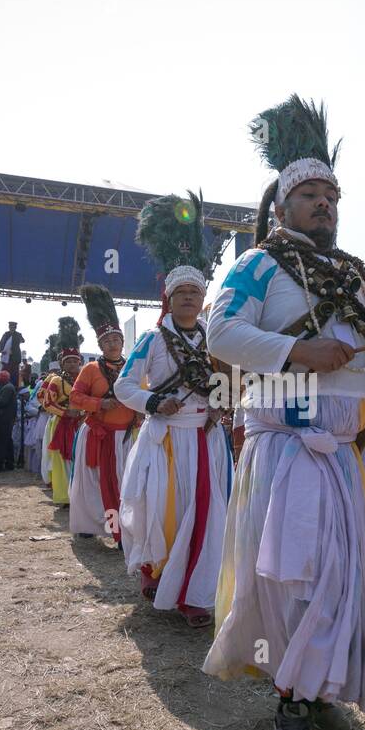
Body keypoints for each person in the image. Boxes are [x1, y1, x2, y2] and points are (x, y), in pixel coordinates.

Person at [201, 94, 365, 730]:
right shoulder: (256, 266)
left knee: (347, 583)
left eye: (331, 193)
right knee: (294, 587)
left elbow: (359, 361)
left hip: (346, 457)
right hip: (285, 449)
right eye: (309, 193)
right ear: (280, 206)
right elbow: (220, 335)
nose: (324, 203)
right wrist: (299, 353)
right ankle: (291, 709)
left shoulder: (356, 278)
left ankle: (317, 687)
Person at [116, 192, 233, 626]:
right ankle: (157, 573)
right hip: (164, 441)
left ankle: (195, 595)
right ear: (169, 297)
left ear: (203, 298)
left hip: (206, 439)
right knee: (164, 515)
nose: (188, 298)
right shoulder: (151, 340)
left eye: (194, 292)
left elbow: (225, 381)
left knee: (206, 514)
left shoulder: (217, 340)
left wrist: (221, 408)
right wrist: (151, 401)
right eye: (181, 292)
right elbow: (123, 384)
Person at [69, 285, 133, 541]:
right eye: (107, 341)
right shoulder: (91, 369)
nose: (112, 344)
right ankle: (94, 526)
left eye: (116, 339)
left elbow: (143, 393)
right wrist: (99, 404)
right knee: (94, 485)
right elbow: (75, 398)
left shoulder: (132, 367)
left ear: (122, 341)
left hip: (126, 437)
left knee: (124, 485)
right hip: (98, 436)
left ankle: (122, 531)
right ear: (100, 344)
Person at [43, 345, 83, 505]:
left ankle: (81, 495)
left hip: (83, 423)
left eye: (75, 361)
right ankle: (65, 496)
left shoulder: (85, 378)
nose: (72, 364)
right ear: (62, 364)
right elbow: (47, 403)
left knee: (81, 458)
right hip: (62, 424)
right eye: (69, 361)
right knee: (63, 460)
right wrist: (66, 412)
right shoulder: (56, 380)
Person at [0, 370, 18, 472]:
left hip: (4, 418)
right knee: (7, 441)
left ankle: (0, 465)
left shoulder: (7, 388)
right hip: (6, 418)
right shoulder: (7, 387)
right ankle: (9, 463)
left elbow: (2, 402)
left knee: (2, 441)